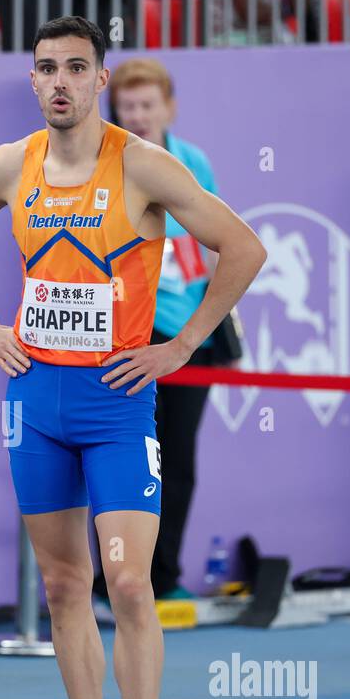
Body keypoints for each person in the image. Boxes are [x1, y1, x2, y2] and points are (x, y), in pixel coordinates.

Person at [0, 16, 265, 699]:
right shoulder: (12, 165)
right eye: (47, 69)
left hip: (117, 405)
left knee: (129, 585)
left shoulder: (145, 165)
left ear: (99, 79)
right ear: (33, 80)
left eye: (77, 68)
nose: (60, 83)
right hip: (37, 402)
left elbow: (242, 248)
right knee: (62, 588)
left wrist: (181, 345)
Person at [91, 57, 230, 609]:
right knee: (121, 460)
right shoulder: (103, 161)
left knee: (177, 461)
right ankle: (110, 581)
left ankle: (163, 575)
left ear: (168, 107)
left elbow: (220, 243)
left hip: (185, 340)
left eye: (149, 106)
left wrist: (197, 328)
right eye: (129, 107)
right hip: (125, 333)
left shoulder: (193, 161)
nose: (140, 116)